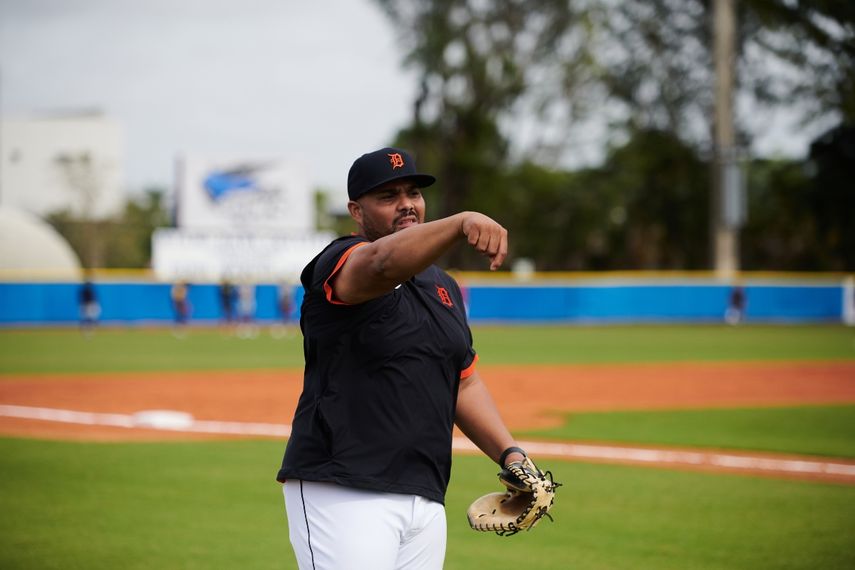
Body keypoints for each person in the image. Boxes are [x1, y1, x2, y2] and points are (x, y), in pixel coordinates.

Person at [276, 147, 537, 569]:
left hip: (425, 495)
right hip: (343, 490)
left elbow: (464, 381)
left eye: (413, 192)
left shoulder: (443, 287)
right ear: (356, 212)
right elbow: (381, 264)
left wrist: (510, 454)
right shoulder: (341, 262)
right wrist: (460, 222)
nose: (406, 204)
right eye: (388, 196)